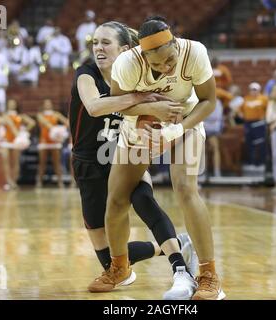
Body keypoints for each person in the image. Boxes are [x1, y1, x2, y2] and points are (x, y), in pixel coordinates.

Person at [92, 16, 226, 300]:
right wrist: (150, 109)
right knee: (117, 198)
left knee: (186, 188)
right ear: (143, 55)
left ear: (176, 44)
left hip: (185, 122)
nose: (166, 67)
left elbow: (208, 101)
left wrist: (176, 127)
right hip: (141, 126)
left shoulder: (195, 52)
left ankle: (208, 274)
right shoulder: (127, 63)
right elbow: (121, 106)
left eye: (170, 60)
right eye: (157, 64)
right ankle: (119, 268)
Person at [70, 21, 198, 299]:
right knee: (111, 261)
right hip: (89, 164)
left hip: (125, 153)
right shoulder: (87, 74)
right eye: (95, 42)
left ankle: (180, 267)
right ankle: (176, 244)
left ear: (125, 49)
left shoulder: (138, 74)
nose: (99, 48)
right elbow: (95, 107)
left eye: (106, 43)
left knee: (144, 199)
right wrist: (138, 98)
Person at [1, 99, 35, 187]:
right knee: (6, 161)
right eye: (10, 103)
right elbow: (8, 125)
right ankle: (8, 180)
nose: (11, 105)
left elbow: (32, 123)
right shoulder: (4, 115)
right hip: (6, 141)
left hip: (16, 141)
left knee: (15, 162)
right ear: (7, 105)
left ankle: (14, 181)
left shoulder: (20, 116)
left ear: (16, 105)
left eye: (13, 103)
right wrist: (17, 133)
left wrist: (23, 132)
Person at [37, 99, 69, 188]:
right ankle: (39, 182)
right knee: (42, 163)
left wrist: (62, 131)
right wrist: (56, 130)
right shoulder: (40, 115)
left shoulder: (56, 114)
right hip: (44, 141)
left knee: (57, 163)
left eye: (49, 103)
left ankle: (60, 182)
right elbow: (46, 124)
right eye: (46, 104)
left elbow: (67, 122)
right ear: (43, 105)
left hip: (55, 142)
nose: (48, 105)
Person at [238, 82, 268, 169]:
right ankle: (251, 161)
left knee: (260, 142)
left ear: (259, 90)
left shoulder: (263, 99)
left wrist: (264, 117)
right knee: (249, 142)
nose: (253, 91)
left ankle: (260, 162)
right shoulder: (246, 99)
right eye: (252, 90)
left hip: (259, 123)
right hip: (248, 123)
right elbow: (239, 109)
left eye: (255, 90)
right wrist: (241, 114)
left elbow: (268, 109)